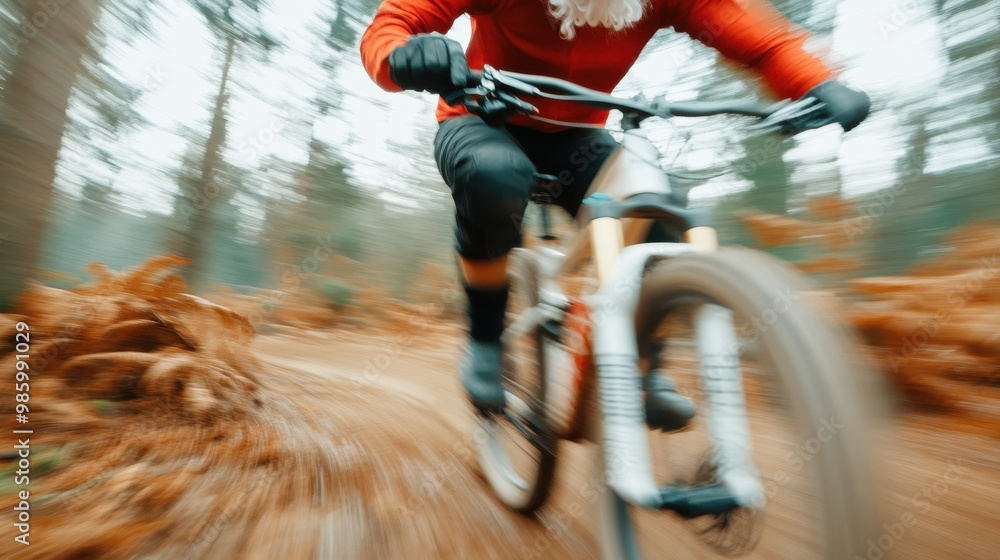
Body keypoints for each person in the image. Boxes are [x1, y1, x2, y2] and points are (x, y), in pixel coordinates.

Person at [359, 0, 870, 429]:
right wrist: (406, 53)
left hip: (578, 138)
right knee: (493, 175)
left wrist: (817, 81)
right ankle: (486, 341)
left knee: (658, 204)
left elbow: (758, 38)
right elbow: (393, 24)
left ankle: (641, 365)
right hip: (480, 117)